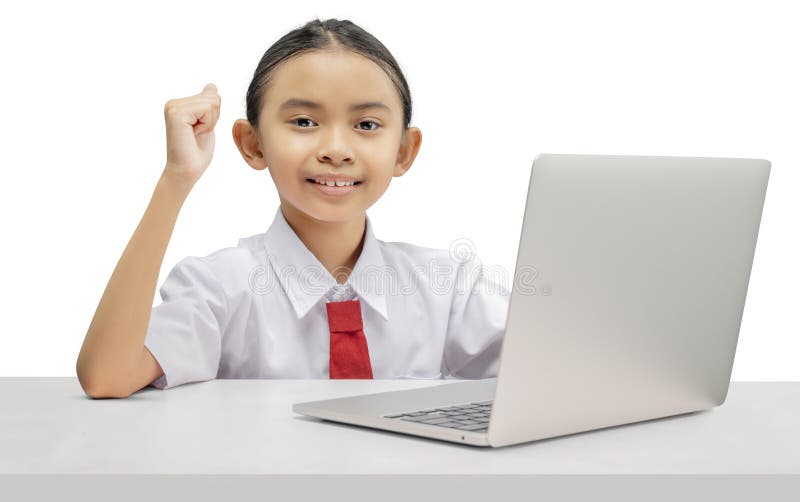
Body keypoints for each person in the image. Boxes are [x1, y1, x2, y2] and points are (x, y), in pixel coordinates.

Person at [75, 18, 510, 399]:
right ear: (252, 142)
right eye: (304, 122)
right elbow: (108, 376)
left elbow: (559, 373)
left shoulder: (448, 287)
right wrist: (176, 178)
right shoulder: (220, 288)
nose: (336, 150)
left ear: (403, 151)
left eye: (366, 125)